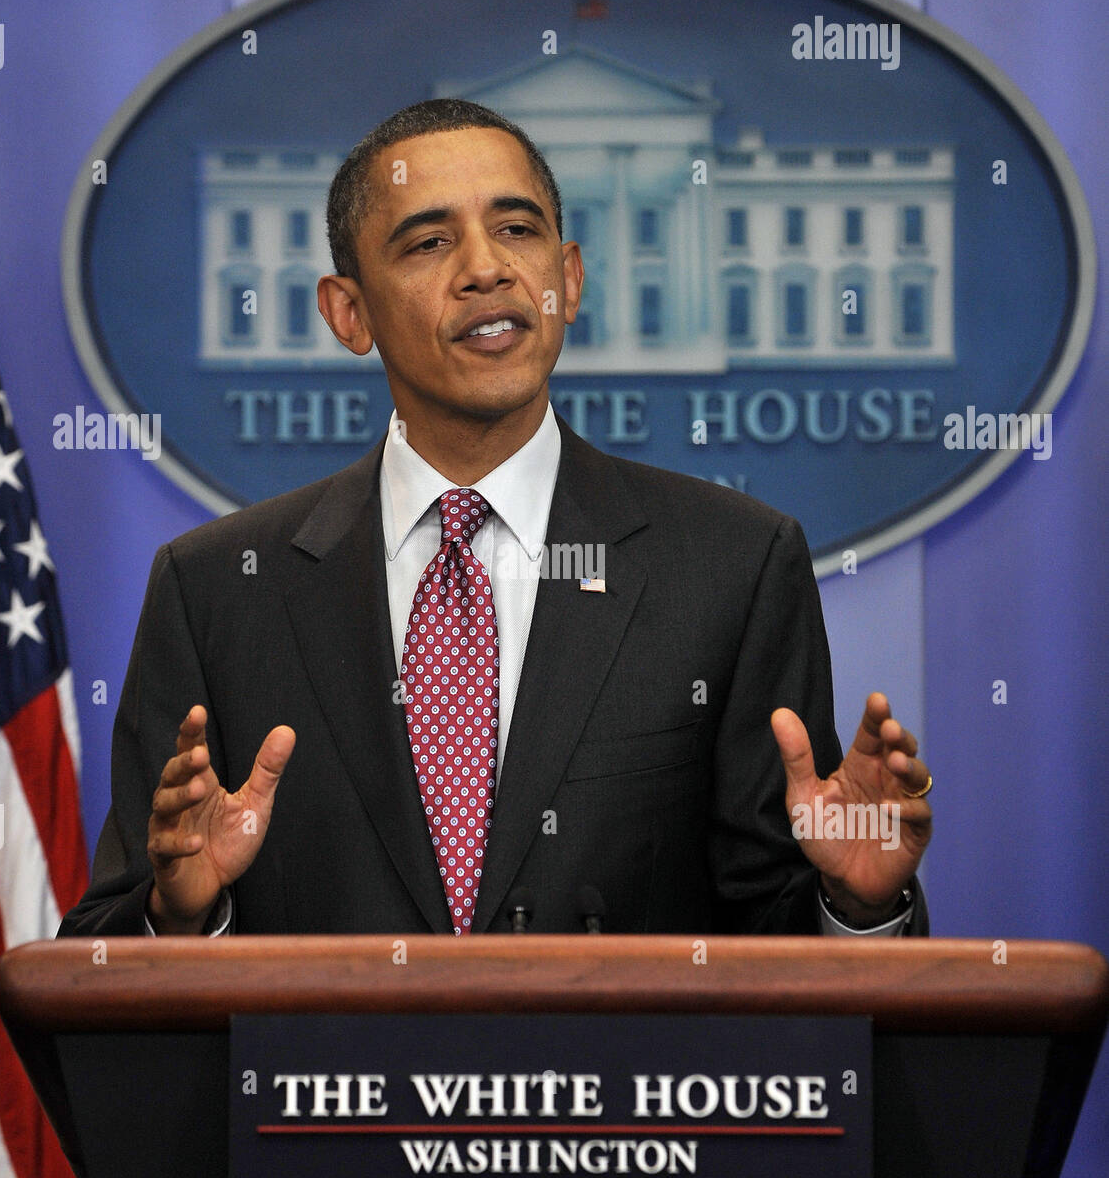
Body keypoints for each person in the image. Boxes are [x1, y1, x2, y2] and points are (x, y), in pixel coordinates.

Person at [59, 99, 933, 941]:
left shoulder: (732, 567)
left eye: (518, 230)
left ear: (568, 279)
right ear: (348, 313)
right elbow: (109, 944)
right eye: (431, 241)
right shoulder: (217, 591)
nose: (487, 267)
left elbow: (775, 955)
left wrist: (851, 906)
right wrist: (184, 914)